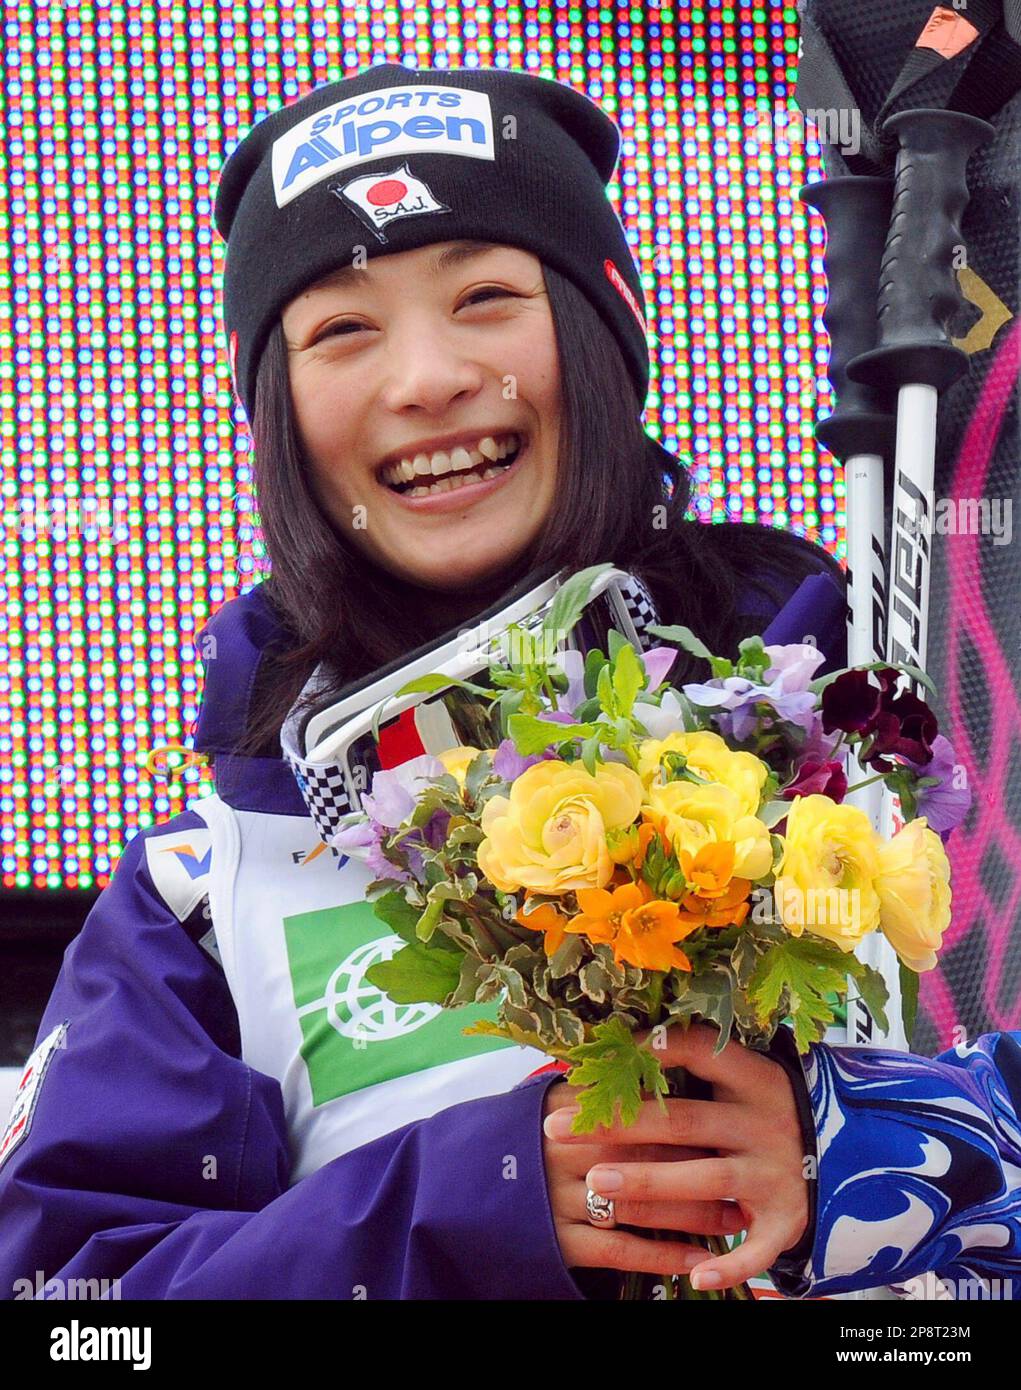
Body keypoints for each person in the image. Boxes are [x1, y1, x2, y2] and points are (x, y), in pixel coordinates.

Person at [0, 61, 850, 1300]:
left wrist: (864, 1158)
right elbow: (76, 1318)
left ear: (602, 338)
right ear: (279, 415)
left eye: (488, 296)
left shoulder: (894, 746)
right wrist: (475, 1204)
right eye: (341, 329)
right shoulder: (200, 899)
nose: (426, 378)